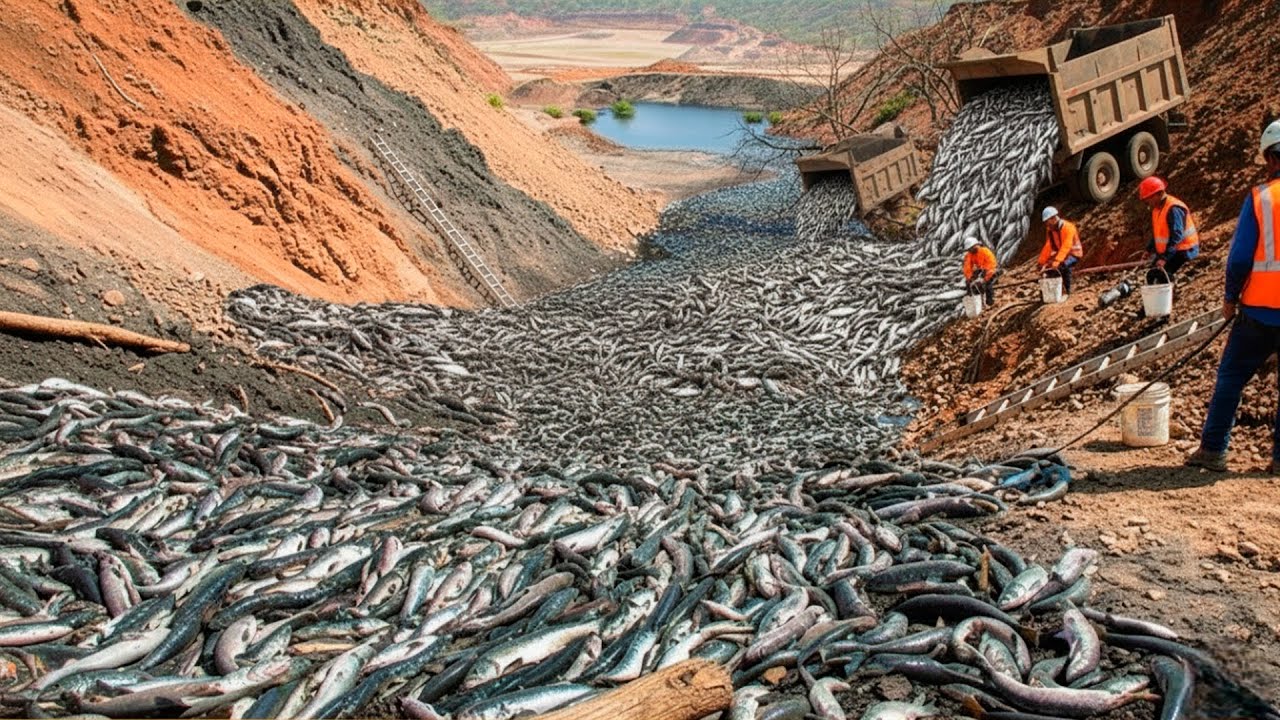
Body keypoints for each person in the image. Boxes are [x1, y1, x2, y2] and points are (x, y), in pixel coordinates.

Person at [1186, 120, 1280, 473]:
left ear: (1271, 158)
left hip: (1258, 310)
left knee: (1231, 376)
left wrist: (1230, 297)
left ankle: (1213, 451)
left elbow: (1240, 257)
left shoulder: (1262, 198)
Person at [1139, 176, 1200, 283]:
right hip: (1171, 250)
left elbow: (1177, 237)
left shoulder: (1173, 209)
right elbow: (1158, 233)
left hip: (1184, 250)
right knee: (1151, 275)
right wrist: (1149, 250)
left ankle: (1171, 291)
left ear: (1158, 194)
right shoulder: (1156, 210)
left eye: (1148, 198)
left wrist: (1164, 258)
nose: (1147, 202)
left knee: (1161, 277)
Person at [1038, 206, 1083, 295]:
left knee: (1064, 266)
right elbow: (1048, 246)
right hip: (1062, 255)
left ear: (1054, 218)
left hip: (1074, 254)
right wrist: (1041, 262)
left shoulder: (1069, 228)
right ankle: (1053, 291)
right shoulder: (1050, 230)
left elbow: (1066, 246)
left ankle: (1068, 290)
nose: (1047, 224)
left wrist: (1057, 261)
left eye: (1048, 221)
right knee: (1049, 268)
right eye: (1046, 222)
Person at [962, 236, 999, 306]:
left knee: (988, 284)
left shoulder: (985, 251)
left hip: (991, 270)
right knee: (968, 283)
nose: (970, 250)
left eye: (971, 248)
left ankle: (990, 301)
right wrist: (970, 278)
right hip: (981, 270)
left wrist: (984, 278)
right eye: (969, 249)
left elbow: (992, 264)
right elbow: (967, 267)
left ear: (975, 245)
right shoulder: (970, 255)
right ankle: (973, 300)